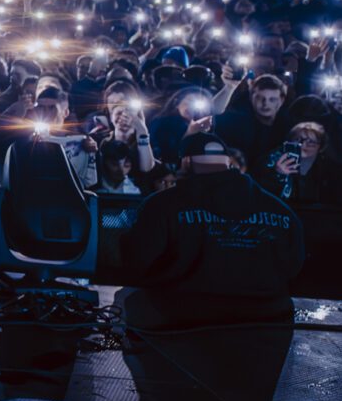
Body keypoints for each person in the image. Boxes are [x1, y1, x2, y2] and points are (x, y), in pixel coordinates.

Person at [122, 132, 305, 326]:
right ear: (228, 163)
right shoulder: (280, 211)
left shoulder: (161, 206)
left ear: (185, 162)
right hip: (263, 321)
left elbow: (137, 260)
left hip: (181, 324)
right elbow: (293, 265)